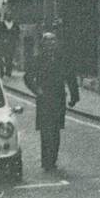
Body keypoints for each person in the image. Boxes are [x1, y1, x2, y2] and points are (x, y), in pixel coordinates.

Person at [24, 30, 79, 172]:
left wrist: (74, 96)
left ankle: (53, 159)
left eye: (53, 40)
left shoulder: (62, 58)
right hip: (44, 98)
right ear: (43, 44)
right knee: (45, 130)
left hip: (58, 97)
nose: (51, 43)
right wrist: (37, 90)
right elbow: (28, 77)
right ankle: (46, 161)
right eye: (48, 41)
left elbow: (70, 77)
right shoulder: (38, 59)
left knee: (56, 130)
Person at [0, 12, 18, 77]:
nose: (8, 16)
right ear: (5, 16)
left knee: (10, 58)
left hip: (12, 44)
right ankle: (2, 72)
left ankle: (8, 72)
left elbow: (17, 32)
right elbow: (0, 33)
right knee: (3, 58)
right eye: (7, 15)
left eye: (10, 15)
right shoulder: (2, 24)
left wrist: (15, 38)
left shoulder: (14, 24)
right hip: (4, 44)